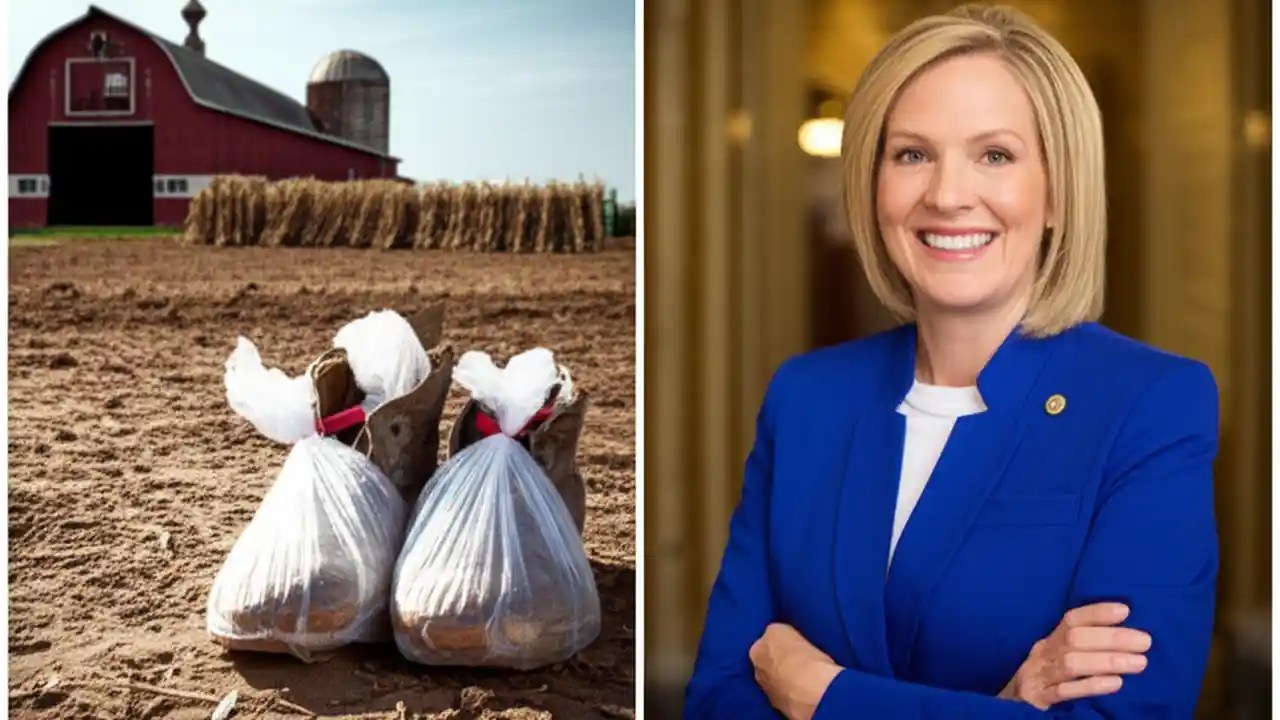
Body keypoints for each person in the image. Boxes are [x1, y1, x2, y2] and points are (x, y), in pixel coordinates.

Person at [684, 4, 1219, 719]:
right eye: (912, 154)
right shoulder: (806, 399)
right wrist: (1002, 707)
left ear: (1058, 190)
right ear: (873, 186)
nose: (946, 195)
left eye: (994, 154)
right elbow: (719, 699)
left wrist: (826, 698)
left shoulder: (1151, 406)